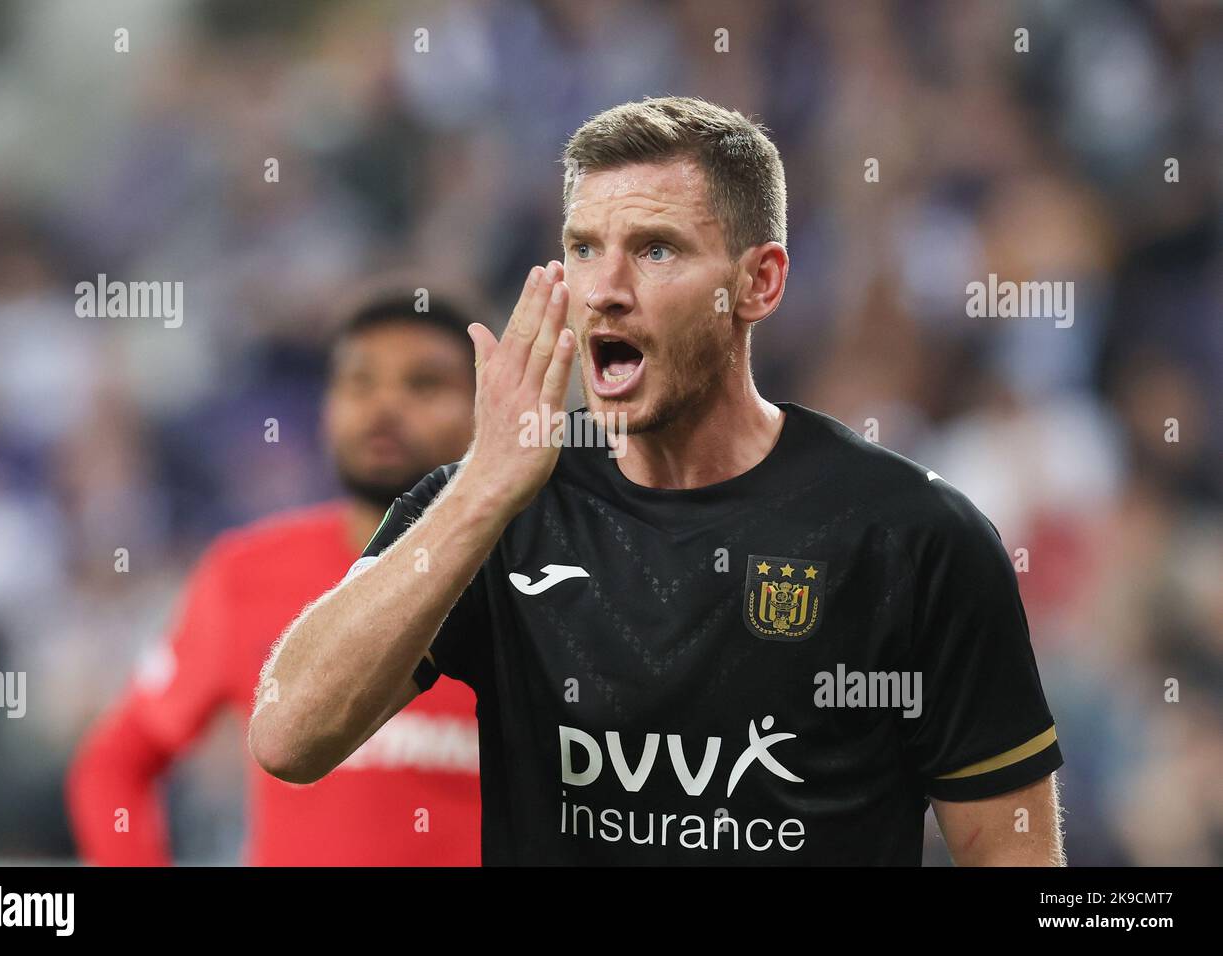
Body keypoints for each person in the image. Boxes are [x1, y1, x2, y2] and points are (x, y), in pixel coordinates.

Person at [249, 97, 1066, 865]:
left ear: (759, 283)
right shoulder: (496, 505)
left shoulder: (914, 536)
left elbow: (1013, 852)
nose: (603, 290)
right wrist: (483, 492)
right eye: (581, 249)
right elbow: (290, 736)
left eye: (656, 249)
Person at [69, 294, 482, 865]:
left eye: (424, 384)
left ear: (490, 413)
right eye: (358, 383)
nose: (385, 406)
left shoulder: (548, 581)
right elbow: (114, 766)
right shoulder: (245, 573)